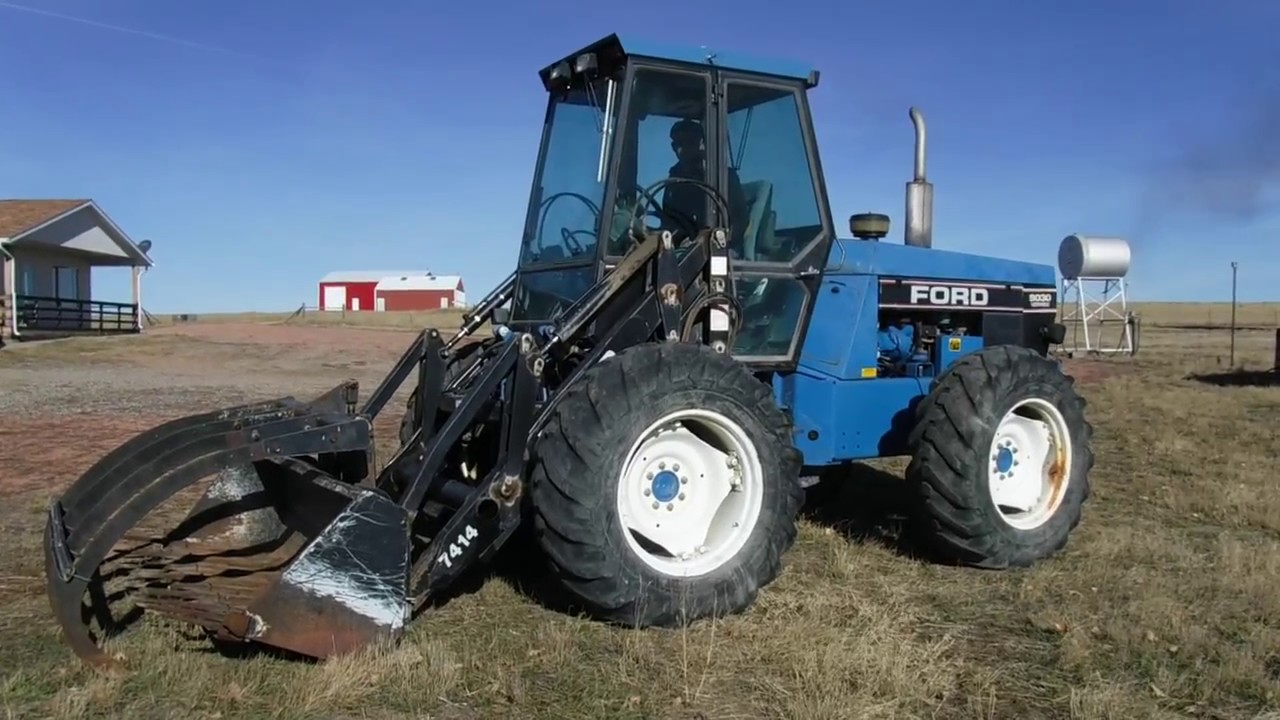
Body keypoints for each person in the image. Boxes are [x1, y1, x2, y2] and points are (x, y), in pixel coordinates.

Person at [662, 119, 749, 250]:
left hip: (721, 250)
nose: (680, 150)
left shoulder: (724, 177)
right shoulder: (674, 179)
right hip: (685, 251)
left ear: (701, 143)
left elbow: (740, 219)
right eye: (676, 144)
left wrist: (722, 242)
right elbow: (668, 220)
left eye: (687, 143)